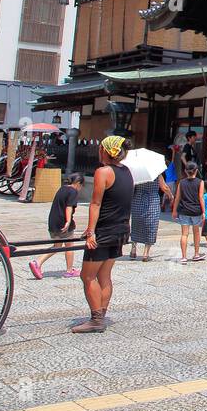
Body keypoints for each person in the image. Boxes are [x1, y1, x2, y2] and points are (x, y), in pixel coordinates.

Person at [72, 135, 134, 335]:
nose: (99, 151)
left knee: (87, 276)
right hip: (120, 228)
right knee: (105, 275)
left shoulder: (103, 172)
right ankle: (101, 315)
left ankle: (96, 319)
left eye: (101, 148)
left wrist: (91, 231)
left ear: (107, 151)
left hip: (104, 230)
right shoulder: (127, 172)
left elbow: (96, 203)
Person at [30, 173, 82, 279]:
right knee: (69, 246)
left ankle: (38, 262)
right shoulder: (73, 191)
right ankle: (69, 270)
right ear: (78, 183)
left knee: (57, 246)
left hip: (53, 221)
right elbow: (69, 207)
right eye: (81, 186)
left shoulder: (62, 188)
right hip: (63, 222)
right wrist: (68, 221)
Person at [171, 161, 207, 264]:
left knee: (184, 234)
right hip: (196, 211)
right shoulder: (200, 182)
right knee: (196, 233)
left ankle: (183, 257)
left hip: (184, 211)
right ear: (196, 171)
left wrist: (174, 211)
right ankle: (196, 254)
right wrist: (204, 212)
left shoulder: (181, 182)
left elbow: (177, 198)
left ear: (185, 171)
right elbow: (201, 197)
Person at [128, 174, 163, 262]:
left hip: (137, 200)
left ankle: (133, 250)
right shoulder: (157, 174)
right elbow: (164, 187)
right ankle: (145, 253)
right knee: (151, 226)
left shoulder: (138, 174)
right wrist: (171, 196)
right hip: (152, 201)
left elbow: (131, 187)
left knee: (136, 225)